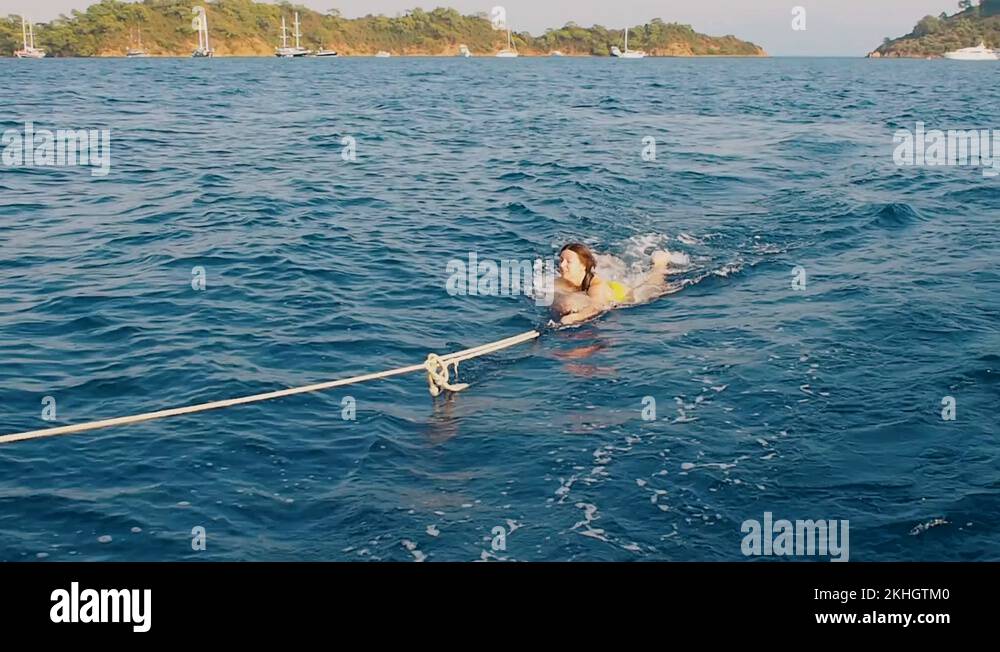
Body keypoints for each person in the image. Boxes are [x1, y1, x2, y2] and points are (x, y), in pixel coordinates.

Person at [554, 243, 673, 325]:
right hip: (608, 286)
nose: (561, 265)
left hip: (624, 295)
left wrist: (572, 318)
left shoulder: (597, 286)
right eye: (561, 260)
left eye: (568, 262)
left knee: (653, 286)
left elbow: (596, 307)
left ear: (583, 265)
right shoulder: (559, 282)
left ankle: (660, 264)